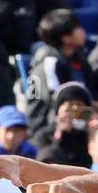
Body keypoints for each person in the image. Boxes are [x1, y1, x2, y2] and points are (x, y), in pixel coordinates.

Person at [25, 9, 89, 142]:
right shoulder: (49, 63)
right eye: (78, 28)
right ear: (65, 38)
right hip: (45, 129)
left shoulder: (79, 58)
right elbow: (59, 102)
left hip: (77, 119)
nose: (83, 31)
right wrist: (92, 109)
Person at [37, 81, 95, 169]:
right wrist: (61, 137)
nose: (74, 111)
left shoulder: (91, 134)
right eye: (69, 106)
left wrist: (96, 137)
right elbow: (46, 161)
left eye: (79, 105)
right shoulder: (44, 135)